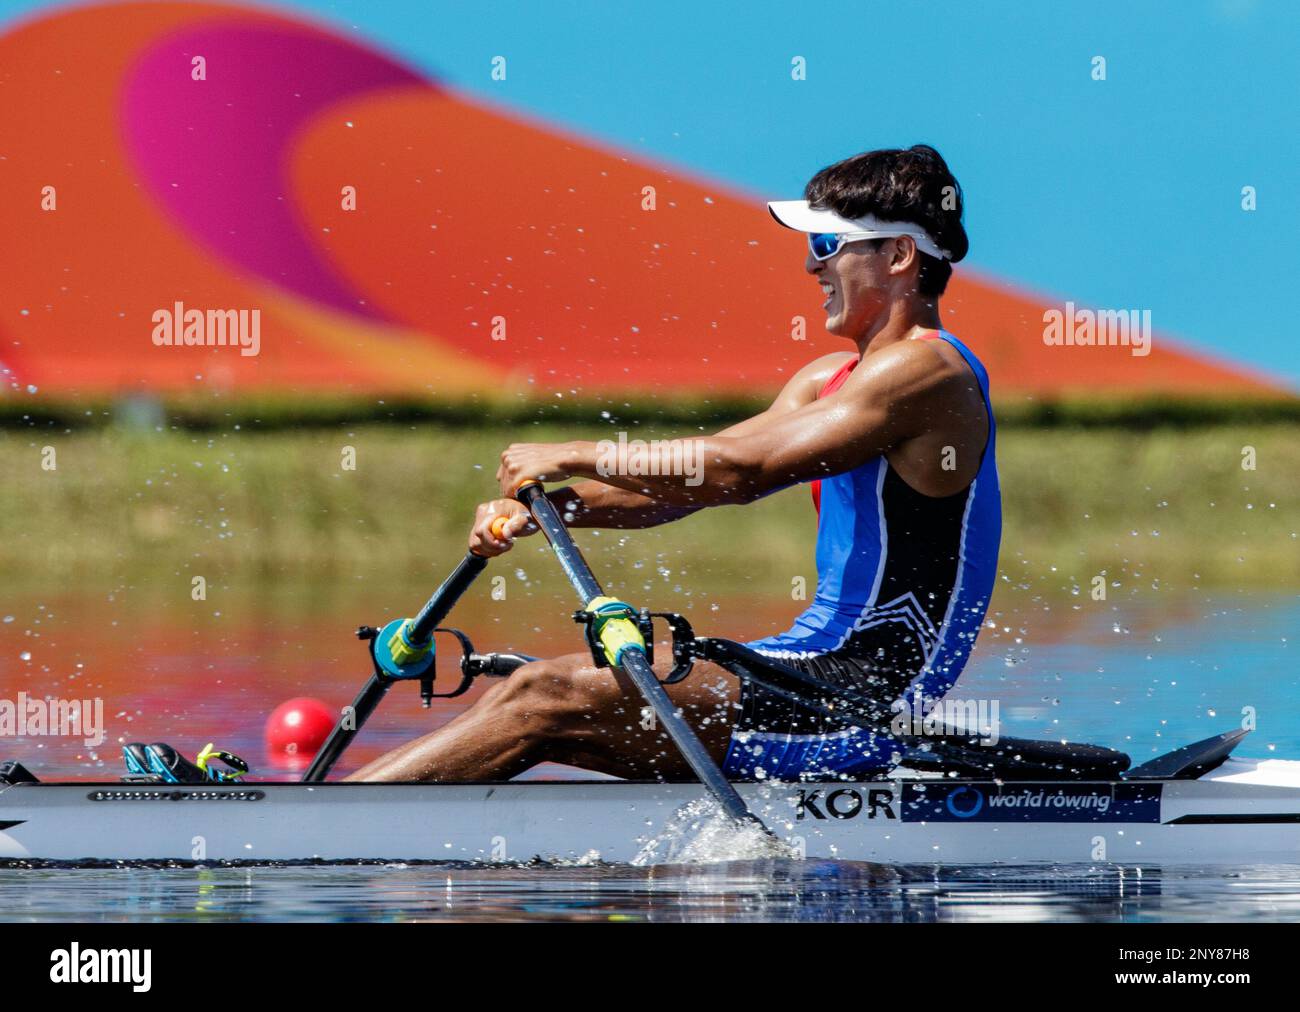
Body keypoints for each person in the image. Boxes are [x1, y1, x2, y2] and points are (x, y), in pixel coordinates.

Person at [349, 143, 1000, 784]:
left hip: (866, 694)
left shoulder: (927, 372)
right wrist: (547, 510)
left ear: (900, 254)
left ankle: (311, 832)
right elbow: (692, 487)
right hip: (804, 667)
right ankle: (342, 826)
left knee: (545, 694)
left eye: (827, 245)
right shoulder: (828, 379)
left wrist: (574, 452)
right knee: (521, 698)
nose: (809, 265)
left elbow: (739, 468)